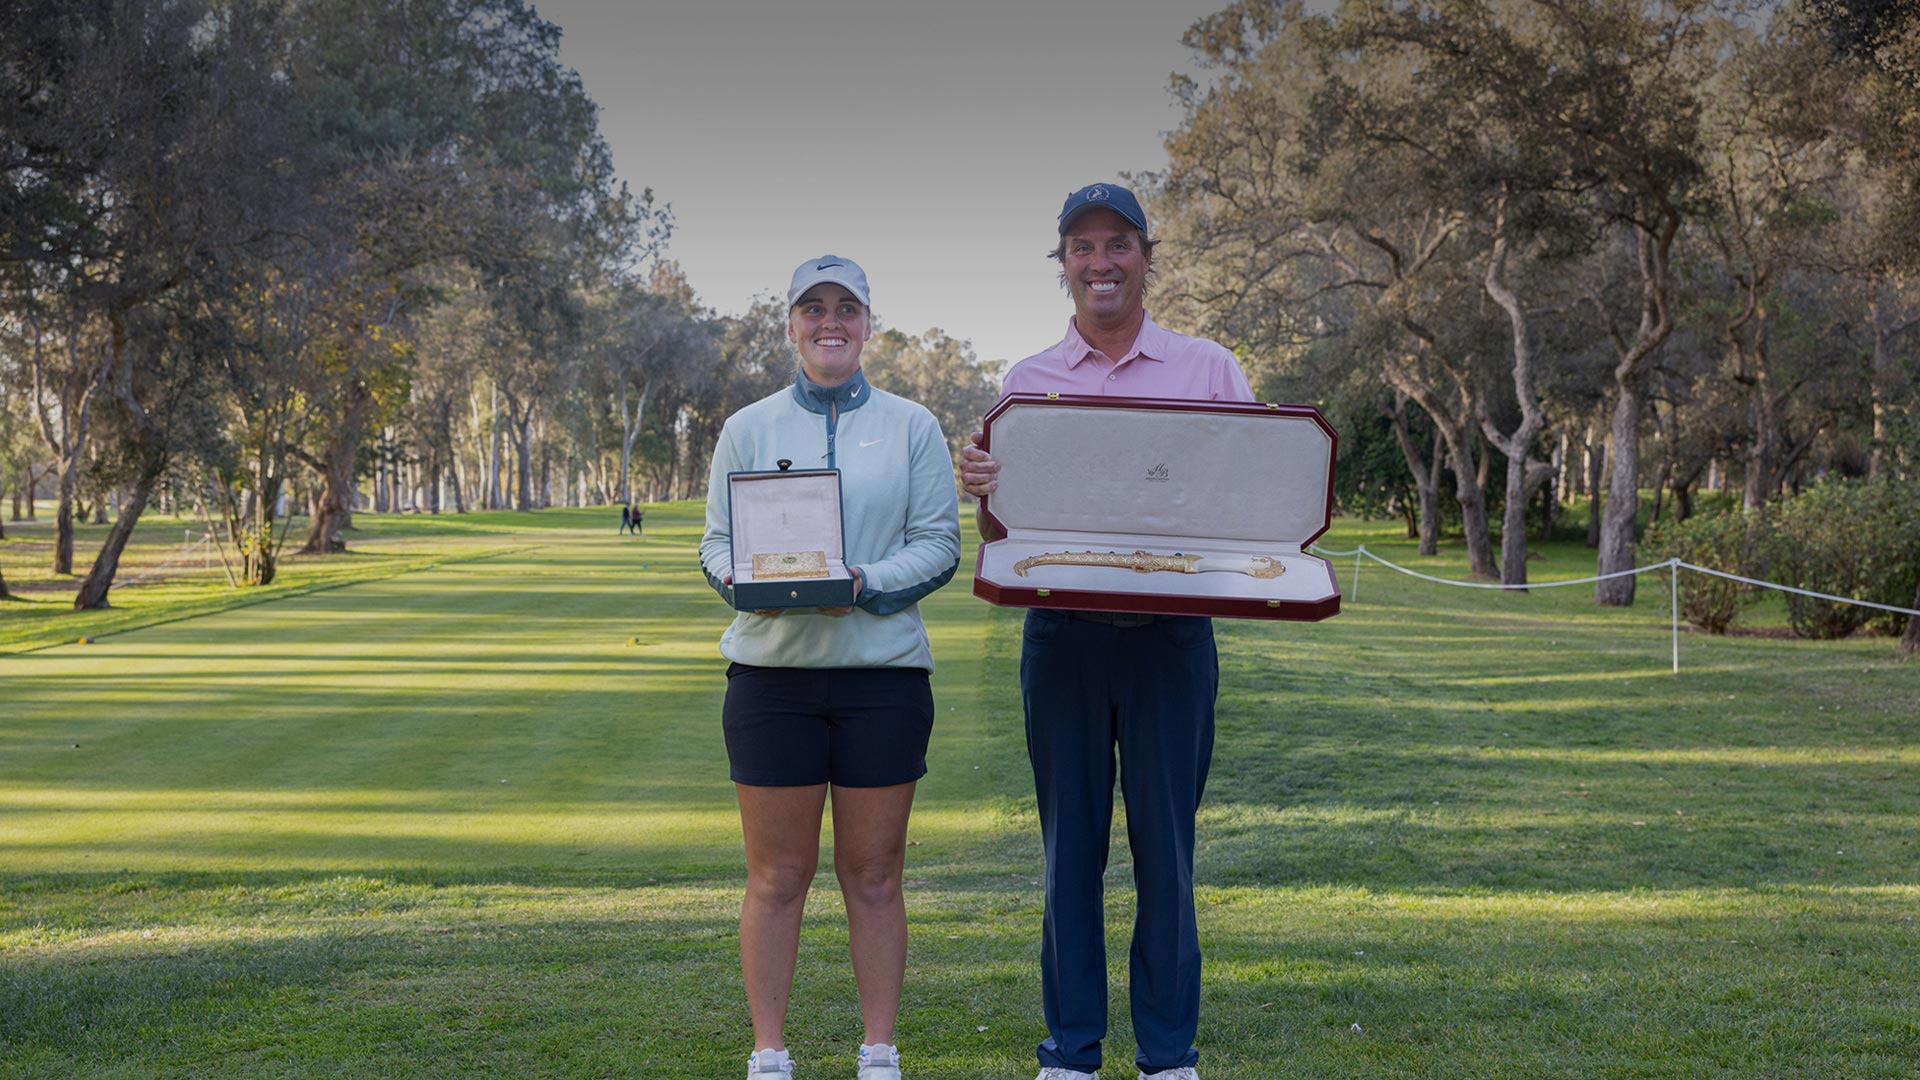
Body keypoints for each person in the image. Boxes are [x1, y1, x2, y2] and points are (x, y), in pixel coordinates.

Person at [959, 184, 1254, 1080]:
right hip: (1064, 640)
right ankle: (1071, 1051)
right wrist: (984, 490)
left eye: (1117, 244)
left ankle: (1168, 1055)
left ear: (1146, 255)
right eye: (1082, 248)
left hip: (1171, 639)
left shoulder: (1208, 370)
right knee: (1070, 853)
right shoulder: (1026, 381)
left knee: (1166, 849)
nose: (1101, 262)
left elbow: (1249, 492)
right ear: (1064, 266)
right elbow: (1006, 536)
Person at [700, 255, 962, 1080]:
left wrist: (863, 584)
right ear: (791, 325)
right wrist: (748, 584)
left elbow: (940, 546)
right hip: (772, 681)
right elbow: (715, 547)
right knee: (777, 876)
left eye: (845, 307)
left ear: (867, 324)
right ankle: (769, 1052)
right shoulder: (747, 426)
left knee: (876, 874)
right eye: (812, 308)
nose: (829, 322)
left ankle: (878, 1052)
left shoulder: (914, 424)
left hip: (882, 679)